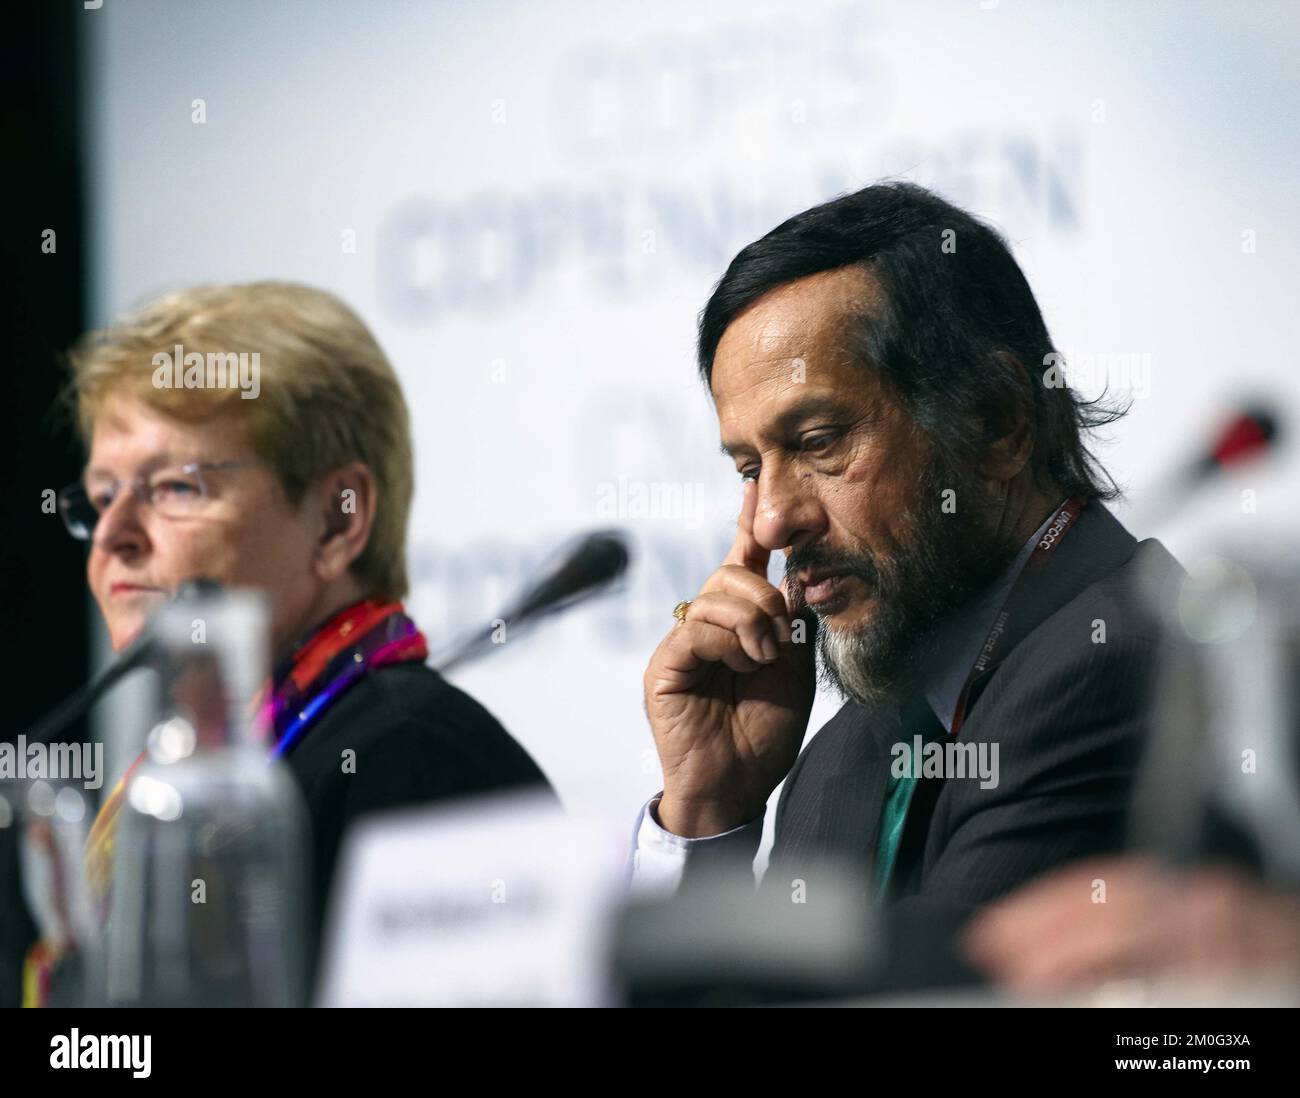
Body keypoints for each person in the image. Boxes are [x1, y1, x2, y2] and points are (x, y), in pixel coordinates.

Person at [631, 181, 1184, 974]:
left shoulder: (1114, 664)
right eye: (751, 467)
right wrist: (708, 814)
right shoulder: (842, 754)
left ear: (997, 421)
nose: (770, 520)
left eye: (820, 441)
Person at [30, 281, 552, 1001]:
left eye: (176, 488)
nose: (114, 536)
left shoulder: (418, 760)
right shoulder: (188, 776)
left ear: (338, 522)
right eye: (101, 496)